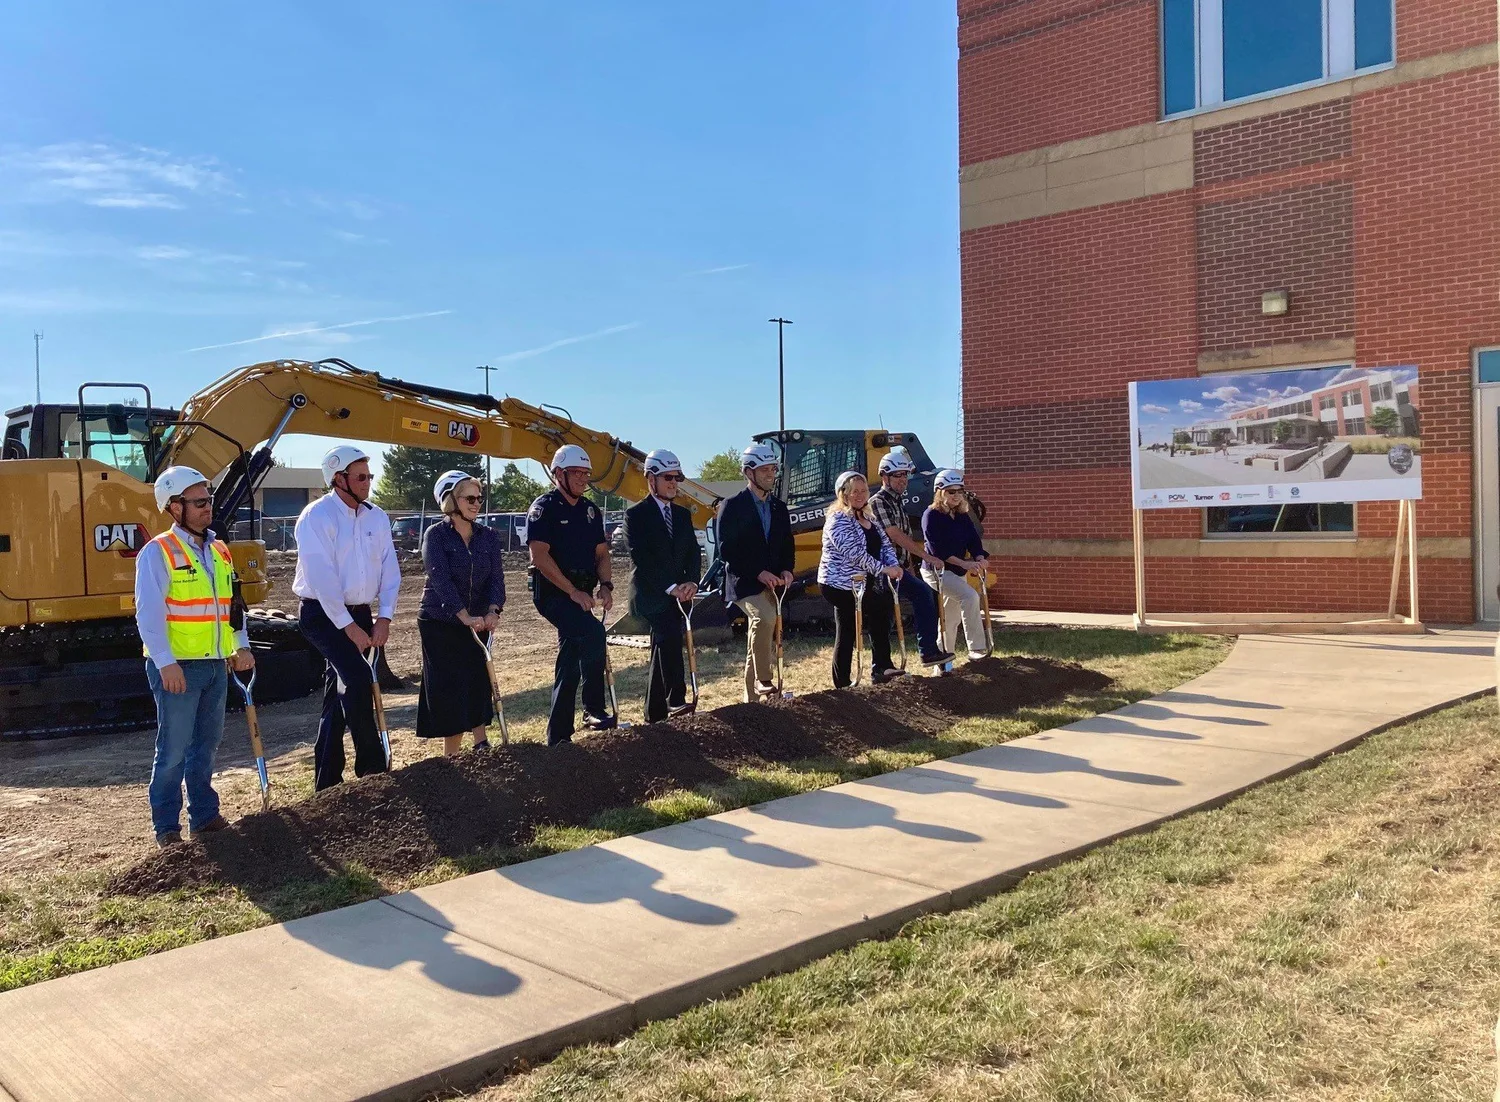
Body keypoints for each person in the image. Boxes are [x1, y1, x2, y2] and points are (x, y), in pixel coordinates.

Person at [134, 466, 255, 847]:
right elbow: (148, 614)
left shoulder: (220, 550)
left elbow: (233, 606)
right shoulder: (158, 552)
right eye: (199, 501)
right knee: (173, 751)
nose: (208, 507)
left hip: (216, 664)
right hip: (178, 667)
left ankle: (204, 816)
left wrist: (240, 645)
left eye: (209, 500)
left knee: (206, 747)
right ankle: (167, 830)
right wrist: (165, 662)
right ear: (174, 507)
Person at [293, 444, 401, 790]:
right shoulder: (316, 516)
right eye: (361, 477)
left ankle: (326, 782)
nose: (368, 482)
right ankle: (372, 769)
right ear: (339, 479)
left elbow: (390, 569)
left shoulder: (376, 517)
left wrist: (384, 617)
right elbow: (321, 577)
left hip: (360, 613)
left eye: (370, 476)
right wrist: (348, 626)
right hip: (321, 613)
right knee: (357, 679)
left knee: (337, 696)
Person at [526, 444, 614, 744]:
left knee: (571, 654)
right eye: (576, 472)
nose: (582, 478)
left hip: (582, 592)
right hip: (553, 593)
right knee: (592, 633)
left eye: (586, 473)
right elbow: (539, 556)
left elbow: (602, 554)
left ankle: (558, 734)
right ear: (559, 474)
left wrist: (606, 585)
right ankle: (593, 709)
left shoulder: (591, 510)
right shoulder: (544, 508)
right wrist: (573, 592)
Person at [416, 470, 504, 756]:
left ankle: (481, 744)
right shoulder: (436, 535)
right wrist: (462, 615)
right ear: (450, 500)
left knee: (478, 679)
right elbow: (440, 578)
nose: (476, 503)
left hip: (477, 622)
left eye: (479, 498)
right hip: (439, 621)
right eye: (469, 498)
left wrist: (493, 609)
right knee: (450, 687)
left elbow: (496, 579)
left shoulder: (488, 536)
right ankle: (450, 757)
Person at [624, 449, 702, 722]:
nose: (673, 483)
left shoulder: (682, 514)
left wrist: (692, 581)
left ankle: (654, 714)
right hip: (650, 594)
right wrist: (671, 587)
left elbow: (692, 552)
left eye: (677, 478)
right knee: (669, 635)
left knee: (663, 643)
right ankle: (676, 698)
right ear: (650, 479)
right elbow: (642, 558)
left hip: (679, 595)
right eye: (667, 477)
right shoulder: (636, 515)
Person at [717, 442, 796, 701]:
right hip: (743, 582)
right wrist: (759, 573)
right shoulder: (731, 506)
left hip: (773, 583)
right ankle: (765, 679)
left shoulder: (779, 508)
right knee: (764, 617)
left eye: (773, 469)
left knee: (759, 633)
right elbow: (727, 551)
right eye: (764, 470)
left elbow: (787, 546)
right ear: (748, 472)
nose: (771, 474)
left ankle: (751, 701)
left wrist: (787, 570)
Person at [868, 447, 954, 670]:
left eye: (905, 474)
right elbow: (894, 534)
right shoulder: (878, 501)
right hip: (884, 570)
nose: (903, 479)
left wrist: (910, 568)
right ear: (884, 476)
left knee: (922, 596)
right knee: (887, 616)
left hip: (900, 568)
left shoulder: (898, 501)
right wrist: (926, 556)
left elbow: (902, 540)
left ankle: (921, 654)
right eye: (898, 475)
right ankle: (918, 655)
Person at [818, 471, 904, 687]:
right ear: (843, 494)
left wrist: (894, 565)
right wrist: (884, 569)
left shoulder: (869, 518)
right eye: (854, 491)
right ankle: (845, 681)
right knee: (852, 625)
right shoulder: (837, 520)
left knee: (878, 612)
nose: (860, 495)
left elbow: (885, 545)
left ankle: (881, 667)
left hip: (863, 583)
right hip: (839, 584)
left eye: (863, 491)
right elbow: (854, 553)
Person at [920, 469, 991, 661]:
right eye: (951, 491)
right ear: (939, 492)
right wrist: (964, 564)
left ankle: (943, 664)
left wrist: (979, 557)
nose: (956, 495)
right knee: (970, 596)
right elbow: (938, 550)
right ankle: (977, 648)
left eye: (960, 491)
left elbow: (973, 539)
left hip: (957, 571)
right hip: (937, 572)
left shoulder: (962, 516)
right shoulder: (931, 515)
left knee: (950, 619)